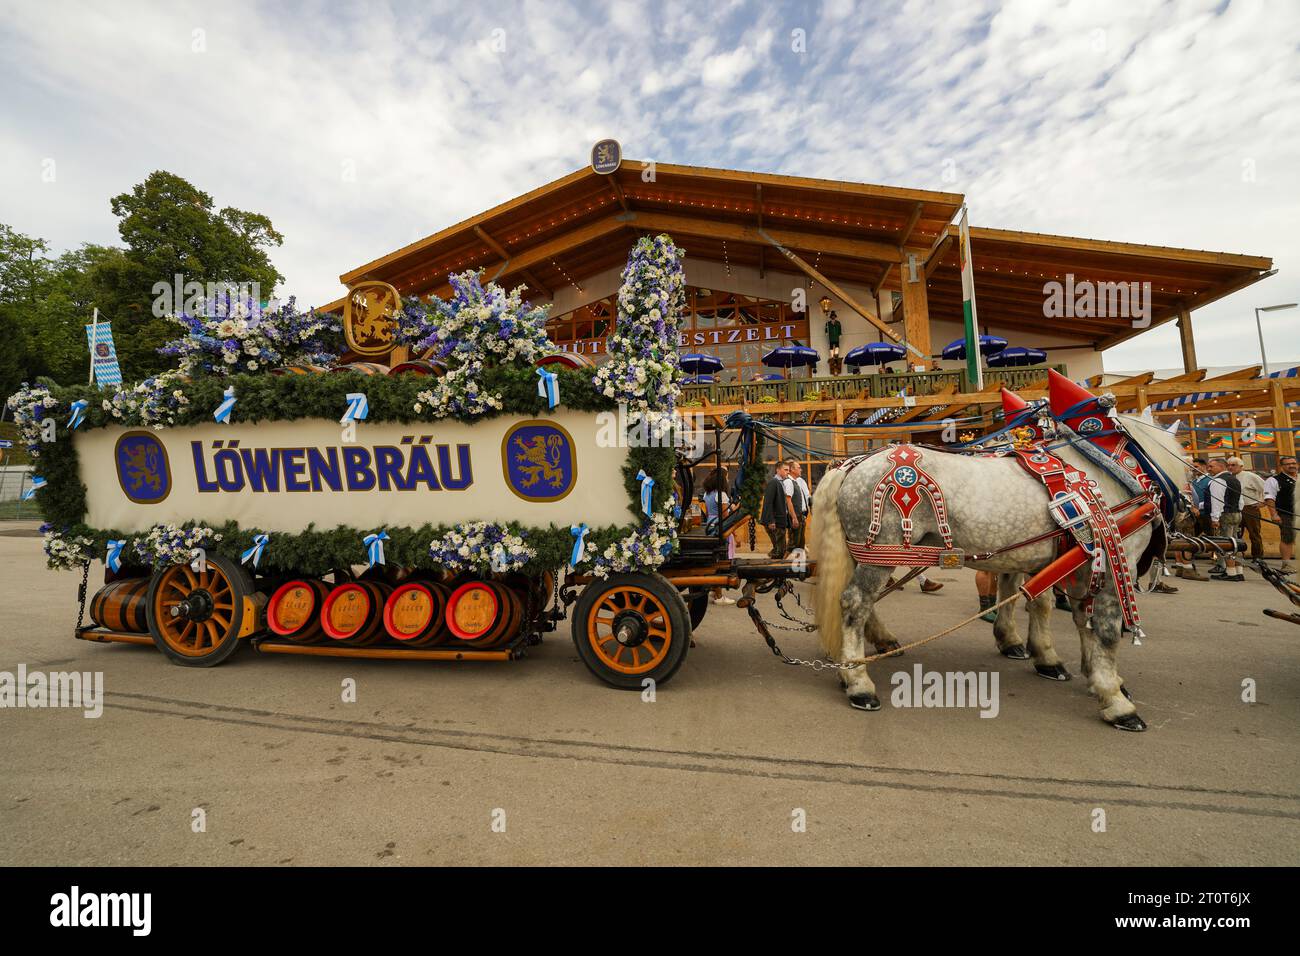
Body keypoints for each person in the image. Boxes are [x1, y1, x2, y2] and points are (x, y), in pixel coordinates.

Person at [1203, 458, 1244, 581]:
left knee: (1227, 544)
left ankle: (1231, 573)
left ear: (1221, 467)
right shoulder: (1234, 479)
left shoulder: (1219, 480)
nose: (1209, 469)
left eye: (1211, 466)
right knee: (1236, 543)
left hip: (1225, 514)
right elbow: (1240, 500)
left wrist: (1215, 518)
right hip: (1236, 513)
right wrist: (1238, 510)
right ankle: (1239, 572)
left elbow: (1217, 501)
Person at [701, 467, 736, 604]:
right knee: (721, 559)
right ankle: (719, 595)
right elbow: (726, 517)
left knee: (713, 557)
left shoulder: (707, 493)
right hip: (720, 526)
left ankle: (713, 589)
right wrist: (735, 534)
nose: (728, 479)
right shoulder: (721, 495)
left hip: (710, 522)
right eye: (726, 477)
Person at [1264, 455, 1299, 575]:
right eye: (1288, 464)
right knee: (1287, 537)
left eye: (1293, 463)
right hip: (1286, 513)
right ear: (1282, 466)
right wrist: (1274, 514)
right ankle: (1286, 564)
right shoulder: (1274, 480)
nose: (1292, 465)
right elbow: (1270, 498)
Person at [1227, 456, 1268, 560]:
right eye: (1229, 465)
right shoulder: (1228, 477)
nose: (1230, 467)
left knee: (1254, 534)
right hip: (1234, 509)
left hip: (1250, 508)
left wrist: (1263, 502)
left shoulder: (1250, 476)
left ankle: (1257, 557)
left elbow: (1266, 488)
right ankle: (1238, 557)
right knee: (1235, 534)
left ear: (1241, 466)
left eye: (1233, 465)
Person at [761, 461, 796, 558]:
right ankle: (774, 569)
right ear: (778, 470)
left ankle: (773, 564)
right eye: (785, 470)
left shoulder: (781, 483)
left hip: (780, 521)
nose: (788, 472)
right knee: (780, 551)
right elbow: (768, 503)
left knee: (780, 549)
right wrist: (771, 520)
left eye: (788, 470)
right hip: (775, 522)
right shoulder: (774, 483)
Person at [787, 460, 811, 550]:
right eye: (799, 468)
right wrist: (794, 518)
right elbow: (788, 501)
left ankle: (799, 562)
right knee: (793, 544)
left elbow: (807, 496)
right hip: (795, 515)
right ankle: (785, 562)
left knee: (800, 544)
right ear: (792, 470)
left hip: (801, 515)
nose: (801, 470)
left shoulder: (799, 481)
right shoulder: (789, 482)